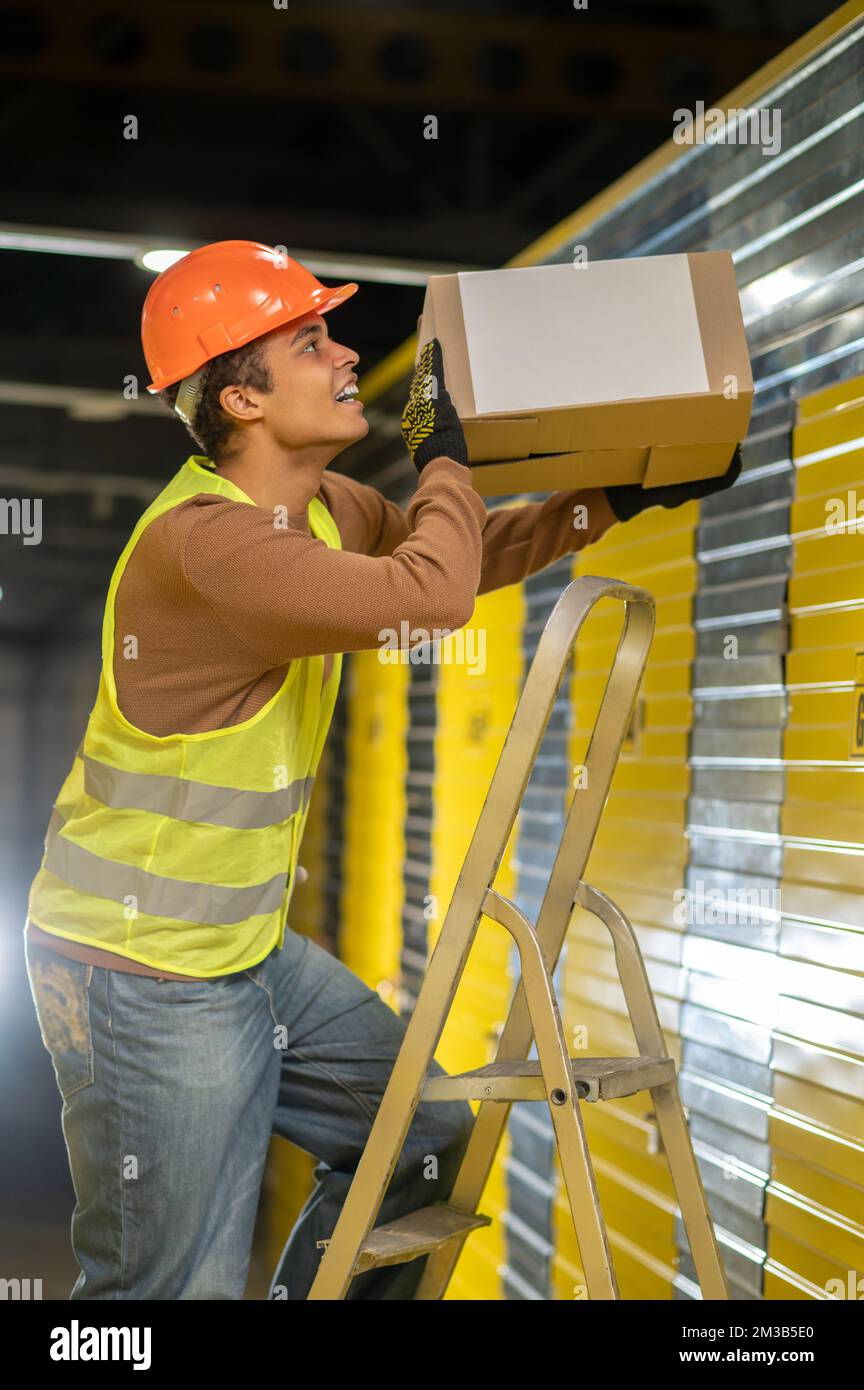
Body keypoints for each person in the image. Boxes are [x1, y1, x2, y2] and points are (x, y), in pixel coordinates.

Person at [22, 240, 740, 1299]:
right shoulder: (209, 548)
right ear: (242, 394)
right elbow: (433, 596)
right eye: (312, 342)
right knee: (171, 1290)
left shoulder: (321, 512)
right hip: (139, 979)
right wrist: (441, 450)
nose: (348, 354)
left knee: (427, 1141)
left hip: (243, 949)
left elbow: (465, 557)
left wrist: (620, 499)